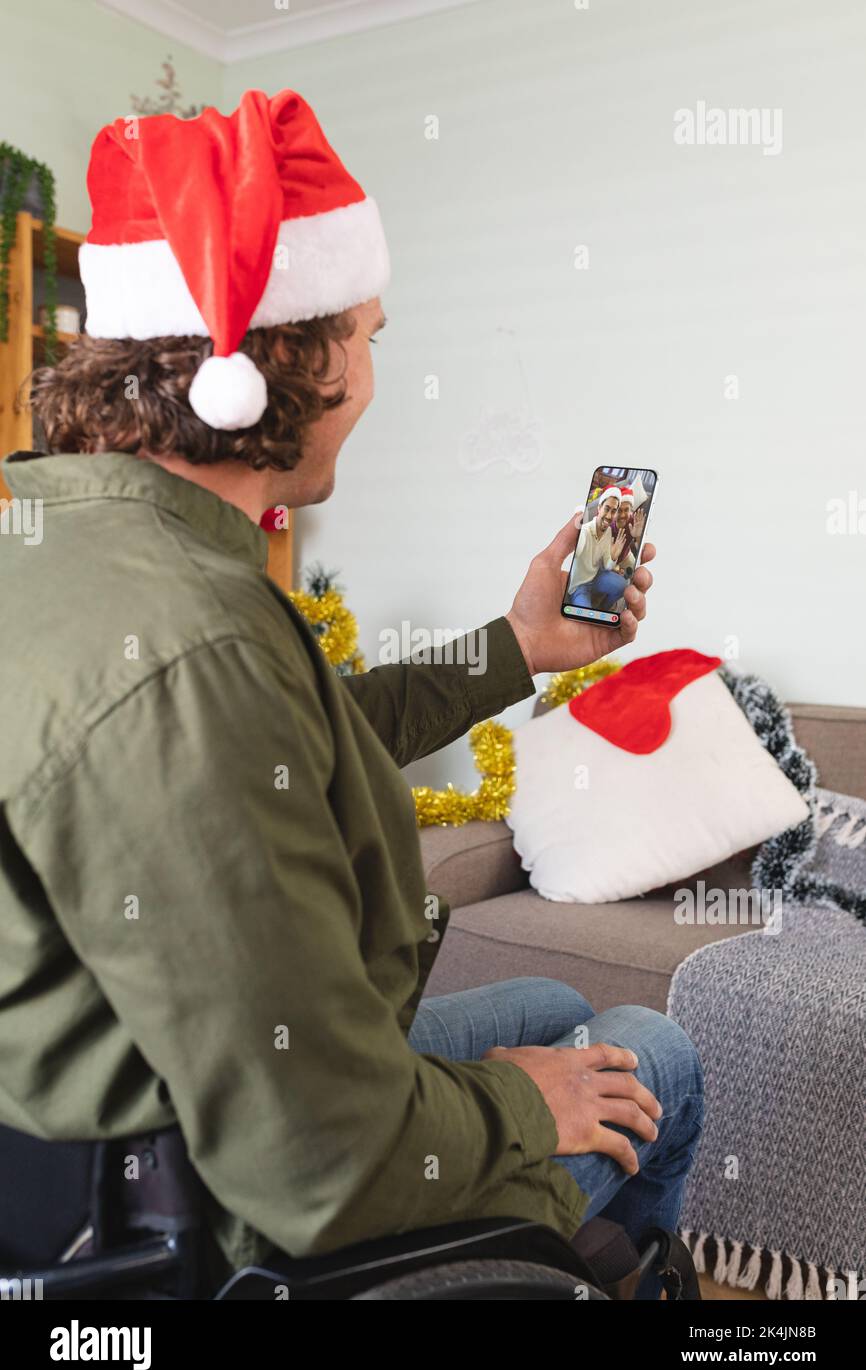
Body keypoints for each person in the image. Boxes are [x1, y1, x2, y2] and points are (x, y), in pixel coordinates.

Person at [0, 89, 702, 1296]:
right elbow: (320, 1158)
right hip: (233, 1215)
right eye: (369, 334)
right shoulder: (194, 651)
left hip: (143, 1108)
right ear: (288, 358)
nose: (375, 371)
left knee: (537, 994)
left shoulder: (59, 534)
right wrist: (516, 1110)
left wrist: (519, 645)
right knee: (648, 1051)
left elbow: (299, 742)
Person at [567, 485, 631, 612]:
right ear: (599, 508)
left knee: (624, 586)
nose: (609, 516)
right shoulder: (584, 532)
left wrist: (613, 557)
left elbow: (607, 566)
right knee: (585, 615)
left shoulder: (608, 532)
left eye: (613, 511)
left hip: (596, 577)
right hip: (579, 586)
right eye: (606, 509)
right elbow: (578, 549)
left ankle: (604, 608)